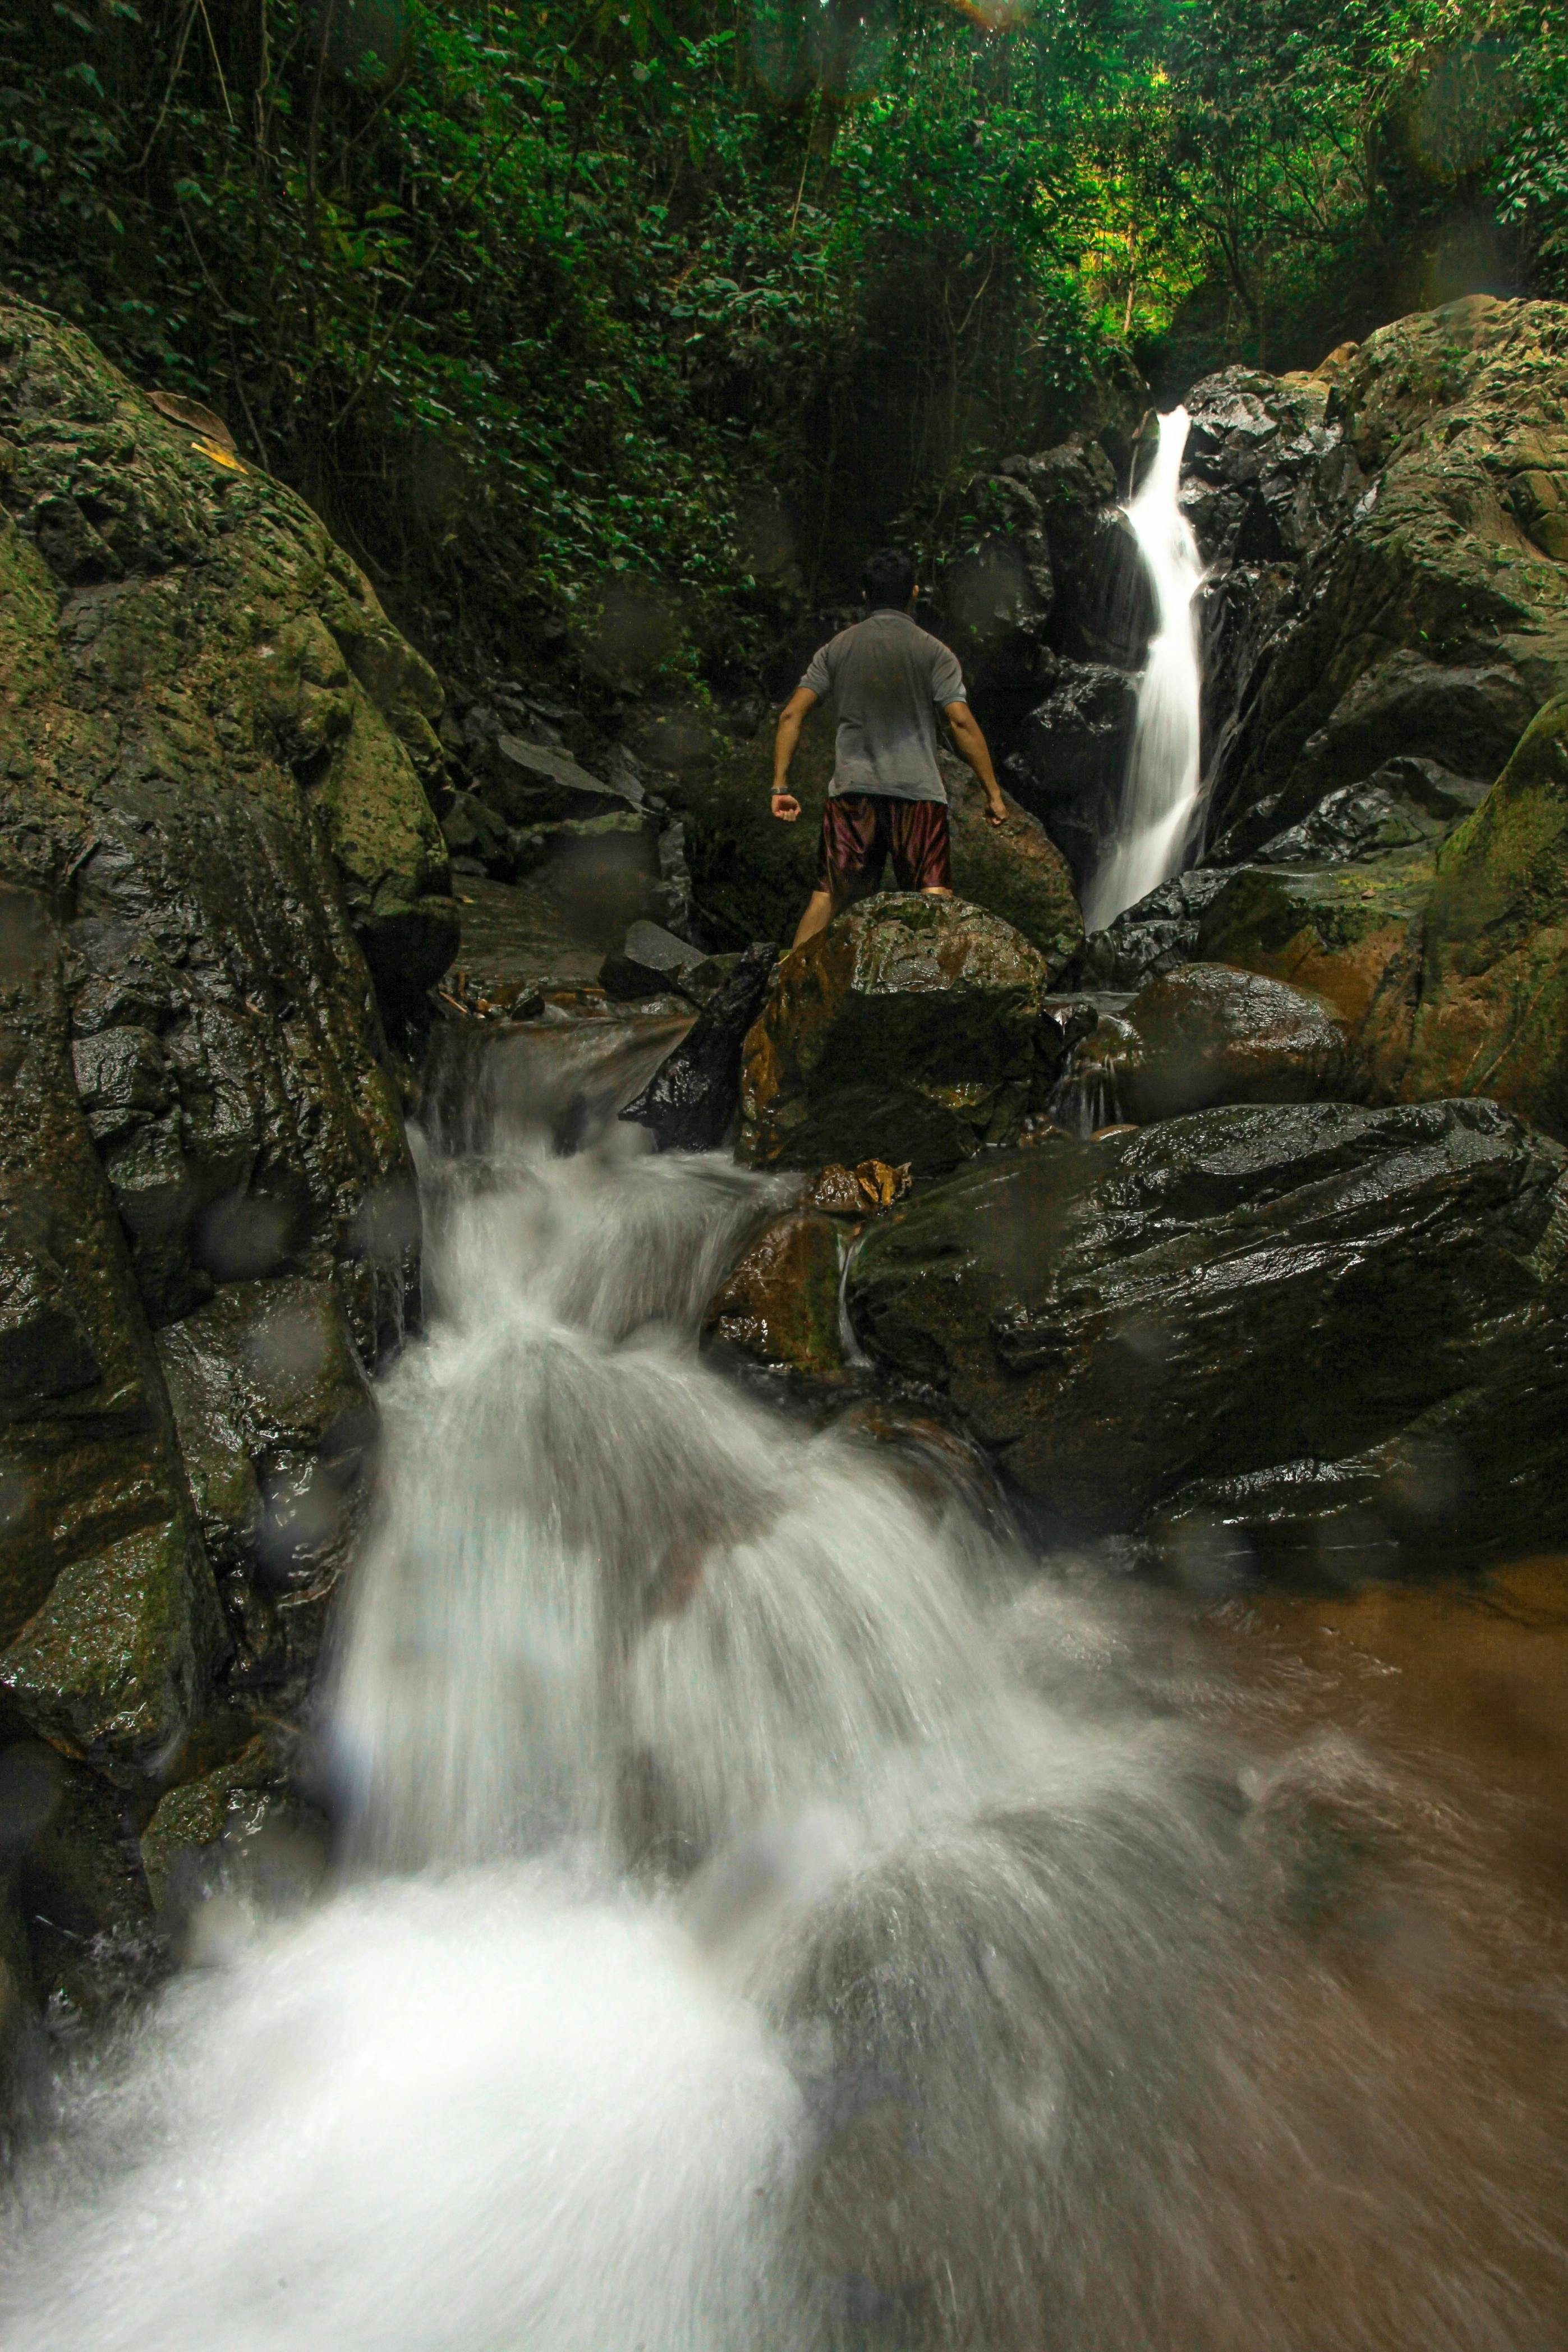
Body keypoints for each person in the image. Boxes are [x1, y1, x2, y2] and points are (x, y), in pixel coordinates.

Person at [770, 547, 1011, 950]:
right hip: (917, 793)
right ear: (914, 592)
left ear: (865, 595)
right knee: (933, 894)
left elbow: (790, 716)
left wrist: (780, 786)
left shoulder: (836, 649)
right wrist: (992, 794)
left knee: (829, 894)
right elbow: (960, 722)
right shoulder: (934, 652)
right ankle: (935, 997)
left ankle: (788, 994)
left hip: (852, 792)